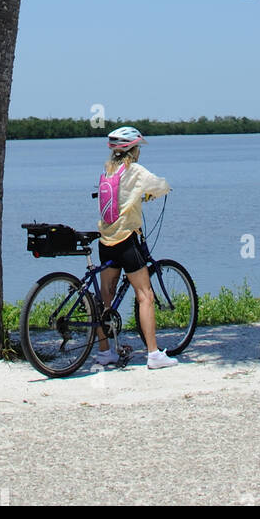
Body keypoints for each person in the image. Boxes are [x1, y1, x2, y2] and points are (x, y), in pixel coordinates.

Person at [93, 126, 178, 369]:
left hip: (105, 240)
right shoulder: (136, 170)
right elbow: (159, 185)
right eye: (138, 147)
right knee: (145, 295)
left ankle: (104, 352)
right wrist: (162, 191)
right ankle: (153, 355)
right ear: (132, 150)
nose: (139, 152)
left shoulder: (107, 170)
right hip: (126, 240)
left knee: (105, 297)